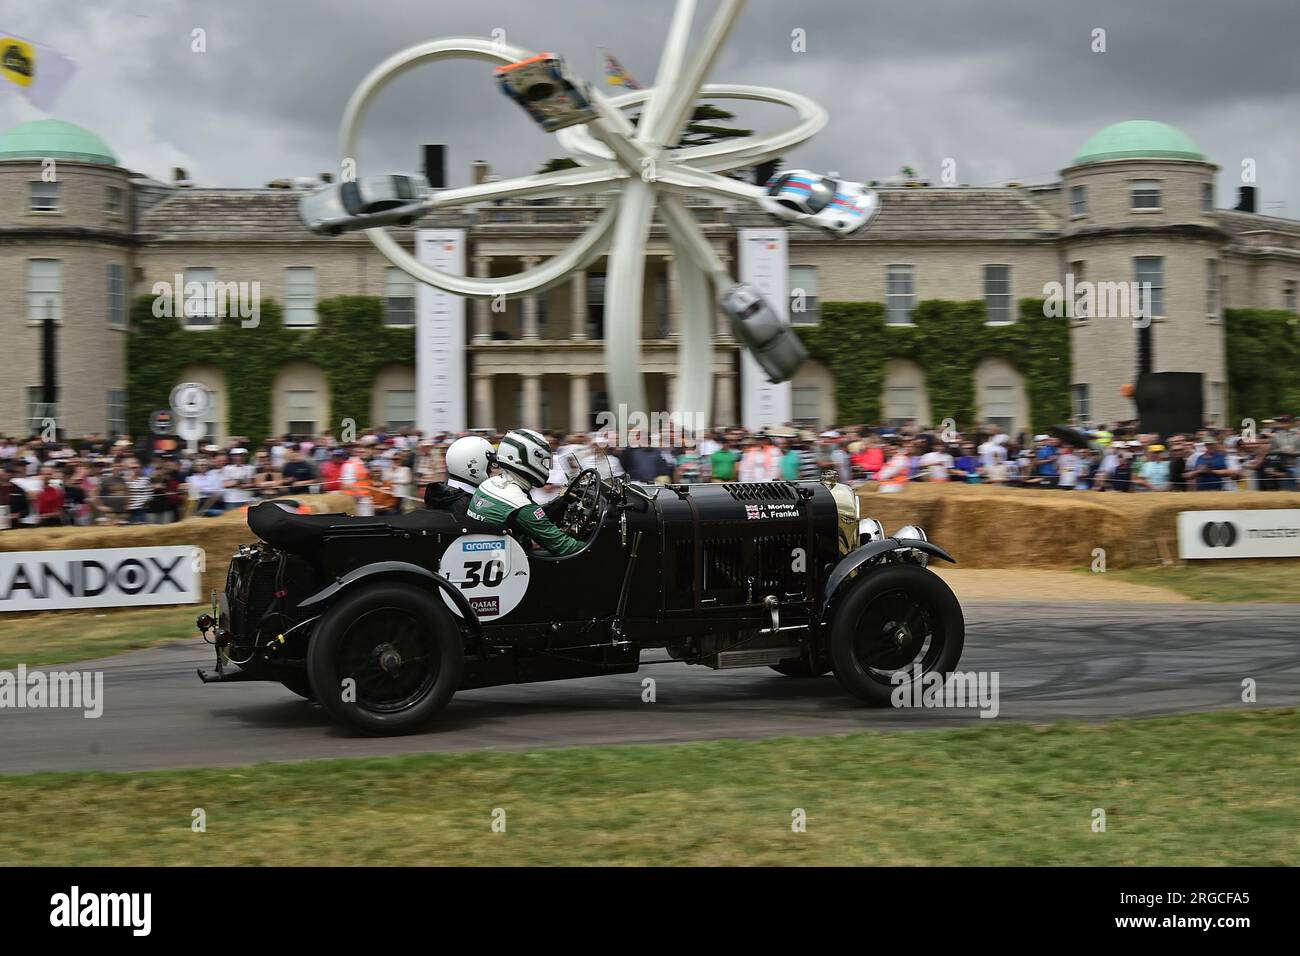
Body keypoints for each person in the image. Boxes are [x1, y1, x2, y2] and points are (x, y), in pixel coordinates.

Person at [467, 428, 584, 556]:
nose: (546, 467)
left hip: (490, 555)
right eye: (543, 462)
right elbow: (565, 547)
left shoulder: (489, 484)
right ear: (525, 459)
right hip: (511, 564)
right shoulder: (518, 503)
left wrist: (562, 502)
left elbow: (531, 517)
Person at [424, 435, 495, 522]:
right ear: (474, 466)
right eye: (490, 465)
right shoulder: (473, 506)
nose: (492, 470)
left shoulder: (439, 494)